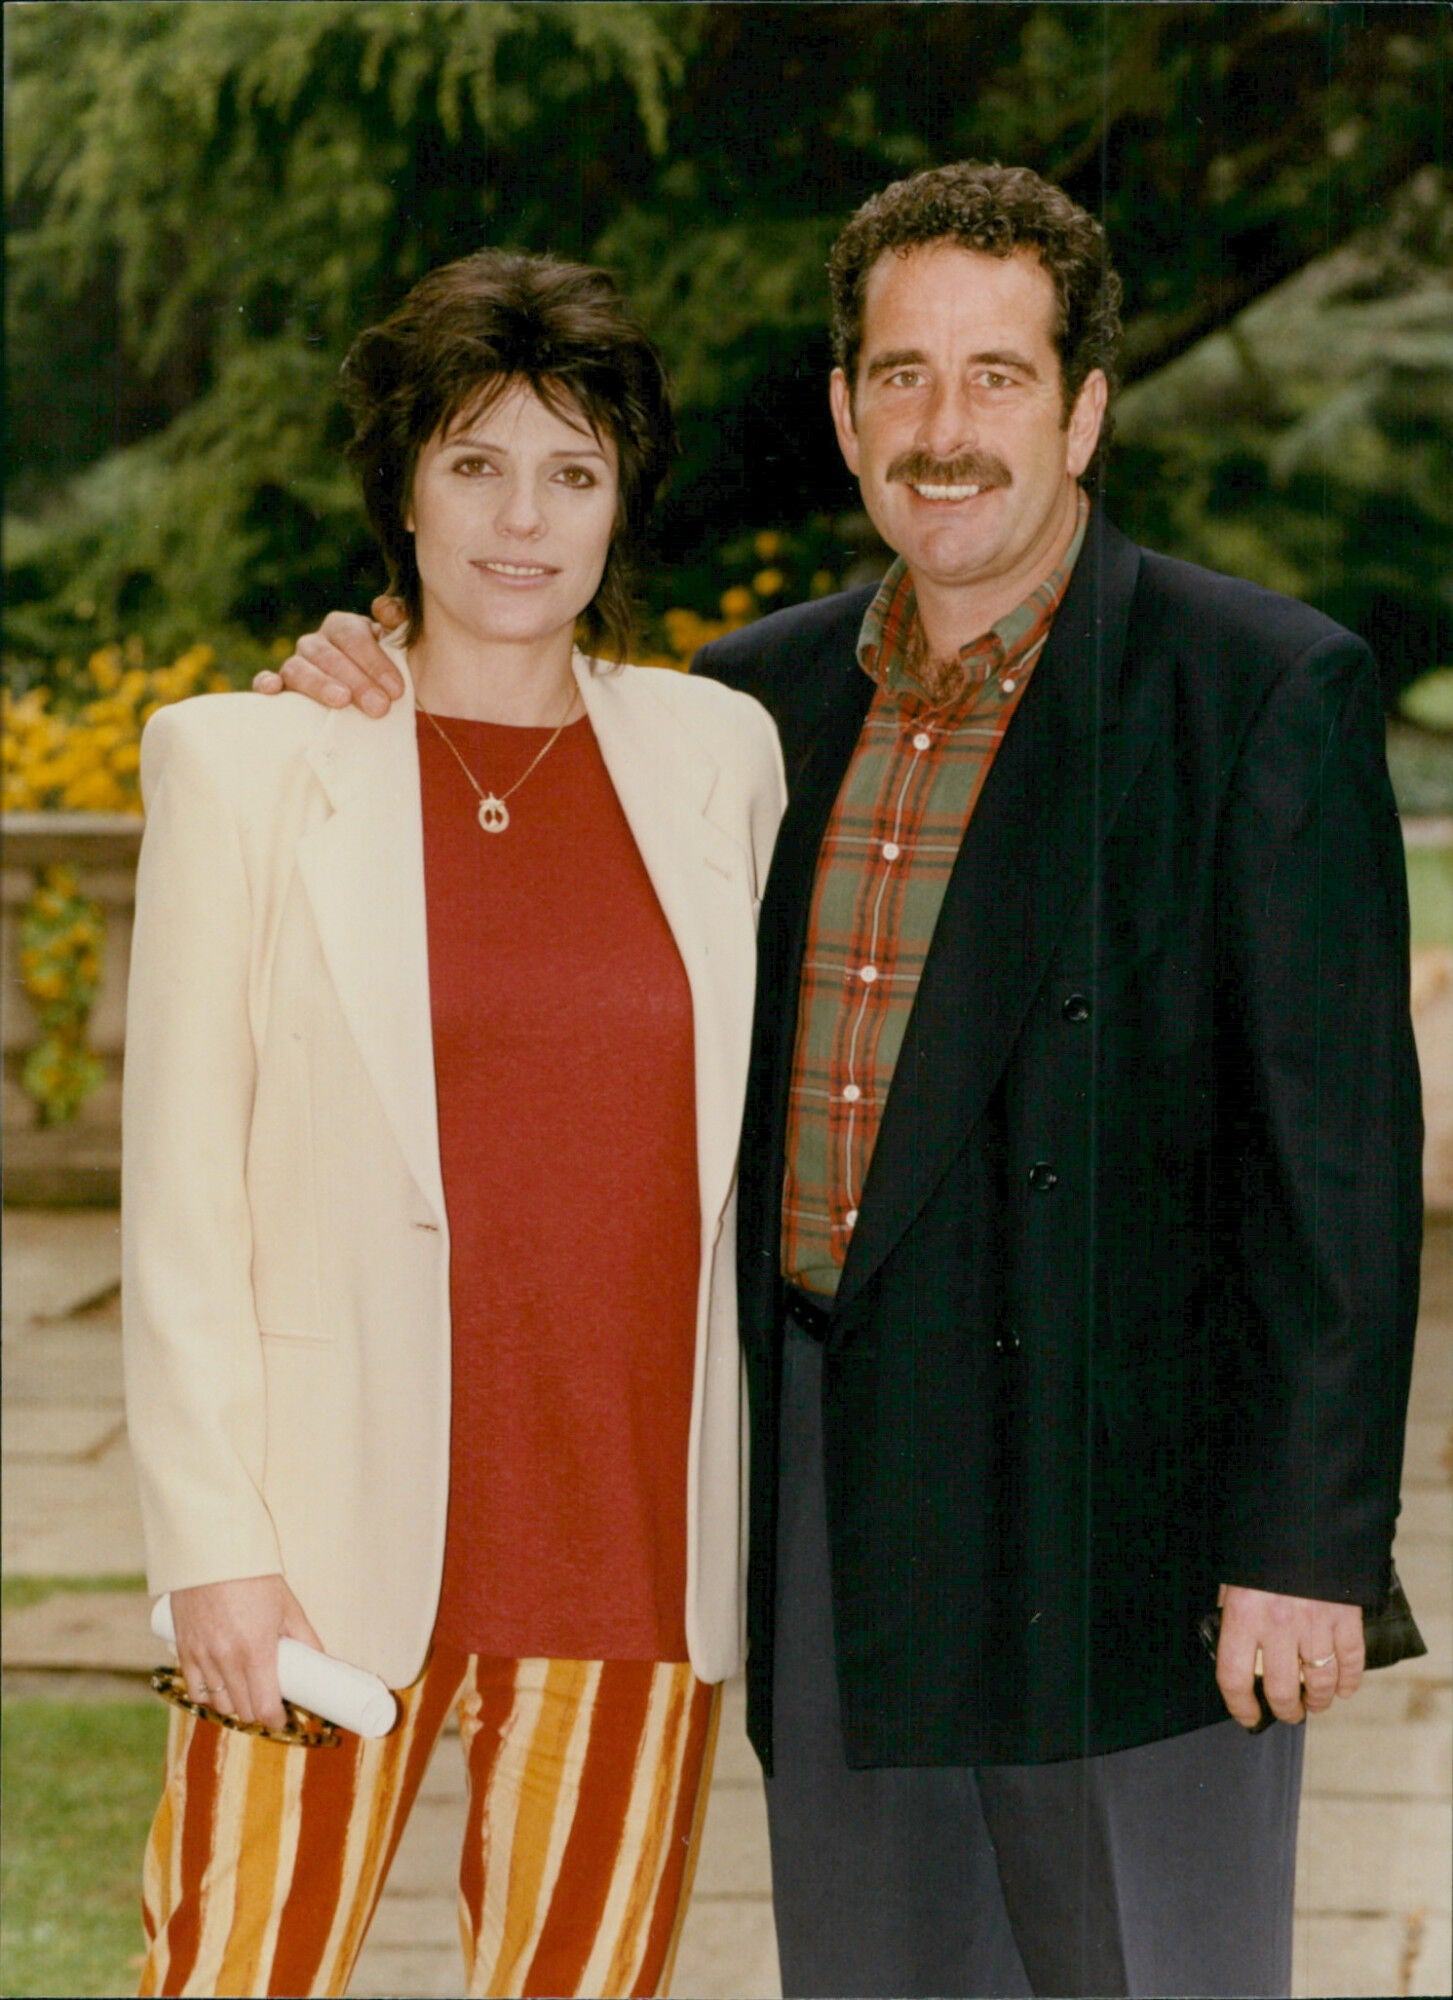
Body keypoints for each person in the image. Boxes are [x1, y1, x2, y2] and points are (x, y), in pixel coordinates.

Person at [267, 164, 1423, 2000]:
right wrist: (366, 682)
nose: (942, 428)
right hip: (833, 1513)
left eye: (995, 376)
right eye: (901, 376)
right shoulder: (744, 712)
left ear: (1083, 411)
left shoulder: (1253, 689)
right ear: (841, 410)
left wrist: (1305, 1548)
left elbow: (1336, 1168)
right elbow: (525, 839)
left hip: (1125, 1539)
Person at [122, 247, 785, 2000]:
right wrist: (213, 1553)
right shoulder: (247, 766)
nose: (522, 519)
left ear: (623, 502)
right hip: (319, 1546)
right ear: (401, 487)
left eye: (573, 471)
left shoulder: (721, 757)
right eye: (474, 462)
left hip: (634, 1547)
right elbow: (179, 1204)